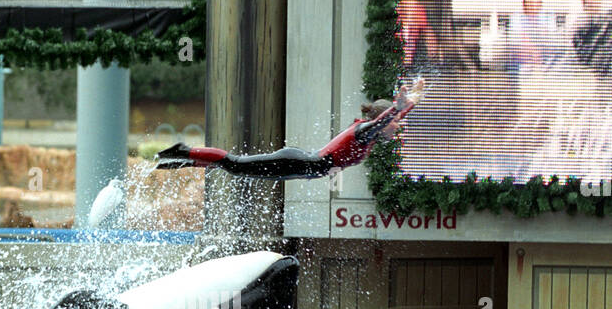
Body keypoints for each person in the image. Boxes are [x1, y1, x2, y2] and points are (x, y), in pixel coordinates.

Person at [154, 83, 426, 179]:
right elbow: (383, 122)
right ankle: (184, 151)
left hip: (300, 168)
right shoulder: (365, 131)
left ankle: (186, 161)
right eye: (395, 122)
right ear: (382, 118)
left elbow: (389, 120)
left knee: (233, 169)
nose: (398, 128)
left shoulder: (374, 133)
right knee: (235, 165)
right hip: (297, 162)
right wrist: (397, 107)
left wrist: (410, 101)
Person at [506, 0, 560, 68]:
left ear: (540, 1)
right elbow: (514, 41)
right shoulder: (516, 17)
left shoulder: (548, 16)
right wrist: (531, 49)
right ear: (524, 1)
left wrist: (540, 50)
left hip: (545, 58)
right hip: (523, 59)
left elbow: (553, 40)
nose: (533, 3)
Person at [398, 0, 439, 67]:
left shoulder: (418, 12)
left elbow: (427, 29)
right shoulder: (397, 12)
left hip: (406, 62)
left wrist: (432, 45)